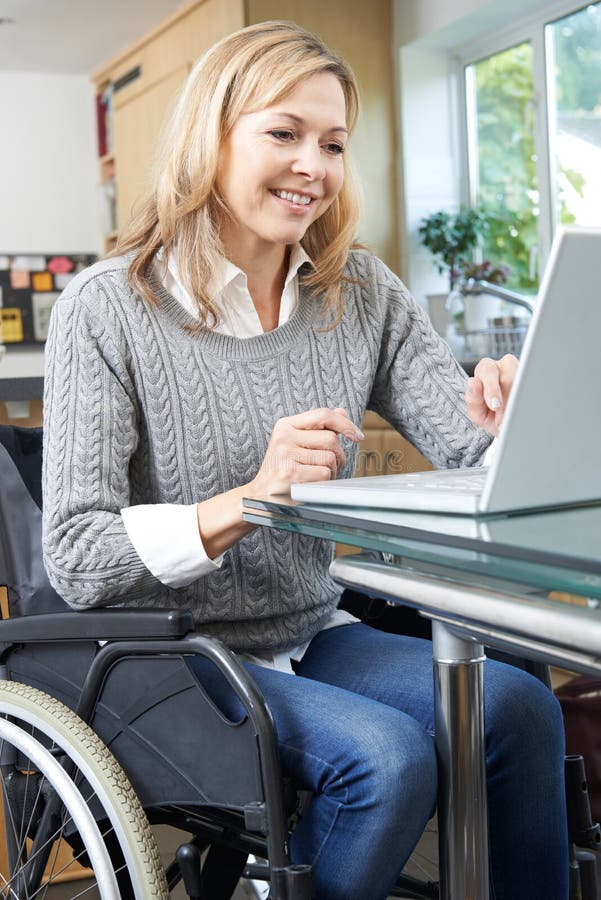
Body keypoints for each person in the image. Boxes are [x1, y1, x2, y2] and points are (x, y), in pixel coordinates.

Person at [42, 20, 568, 900]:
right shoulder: (107, 308)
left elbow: (472, 453)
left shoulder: (358, 292)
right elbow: (79, 555)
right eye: (282, 133)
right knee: (386, 764)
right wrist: (251, 496)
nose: (312, 166)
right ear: (211, 136)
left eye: (331, 142)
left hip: (310, 628)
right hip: (173, 655)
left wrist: (515, 416)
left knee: (518, 708)